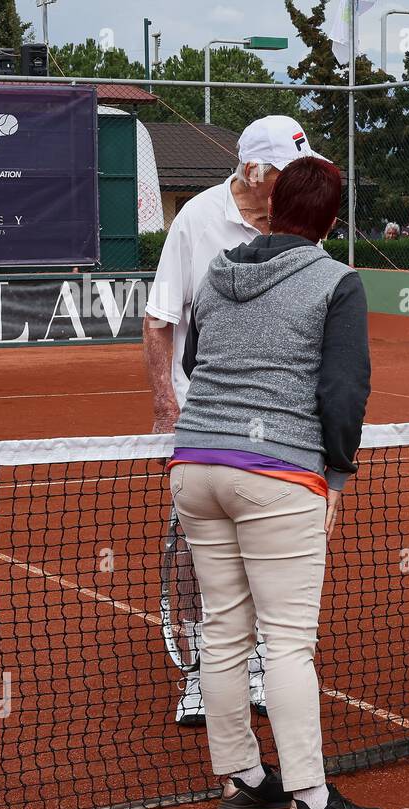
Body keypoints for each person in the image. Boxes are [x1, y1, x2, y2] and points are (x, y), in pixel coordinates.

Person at [168, 155, 385, 809]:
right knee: (288, 644)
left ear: (271, 205)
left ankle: (242, 779)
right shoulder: (335, 281)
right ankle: (312, 801)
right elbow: (344, 392)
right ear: (330, 219)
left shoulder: (219, 271)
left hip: (195, 463)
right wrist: (337, 475)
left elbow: (197, 363)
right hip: (276, 473)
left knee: (225, 631)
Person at [144, 115, 315, 726]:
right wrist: (168, 410)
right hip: (203, 420)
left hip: (278, 421)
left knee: (271, 548)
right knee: (197, 549)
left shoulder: (301, 224)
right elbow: (160, 318)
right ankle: (203, 670)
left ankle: (267, 662)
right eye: (287, 173)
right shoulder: (195, 220)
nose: (300, 184)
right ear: (252, 171)